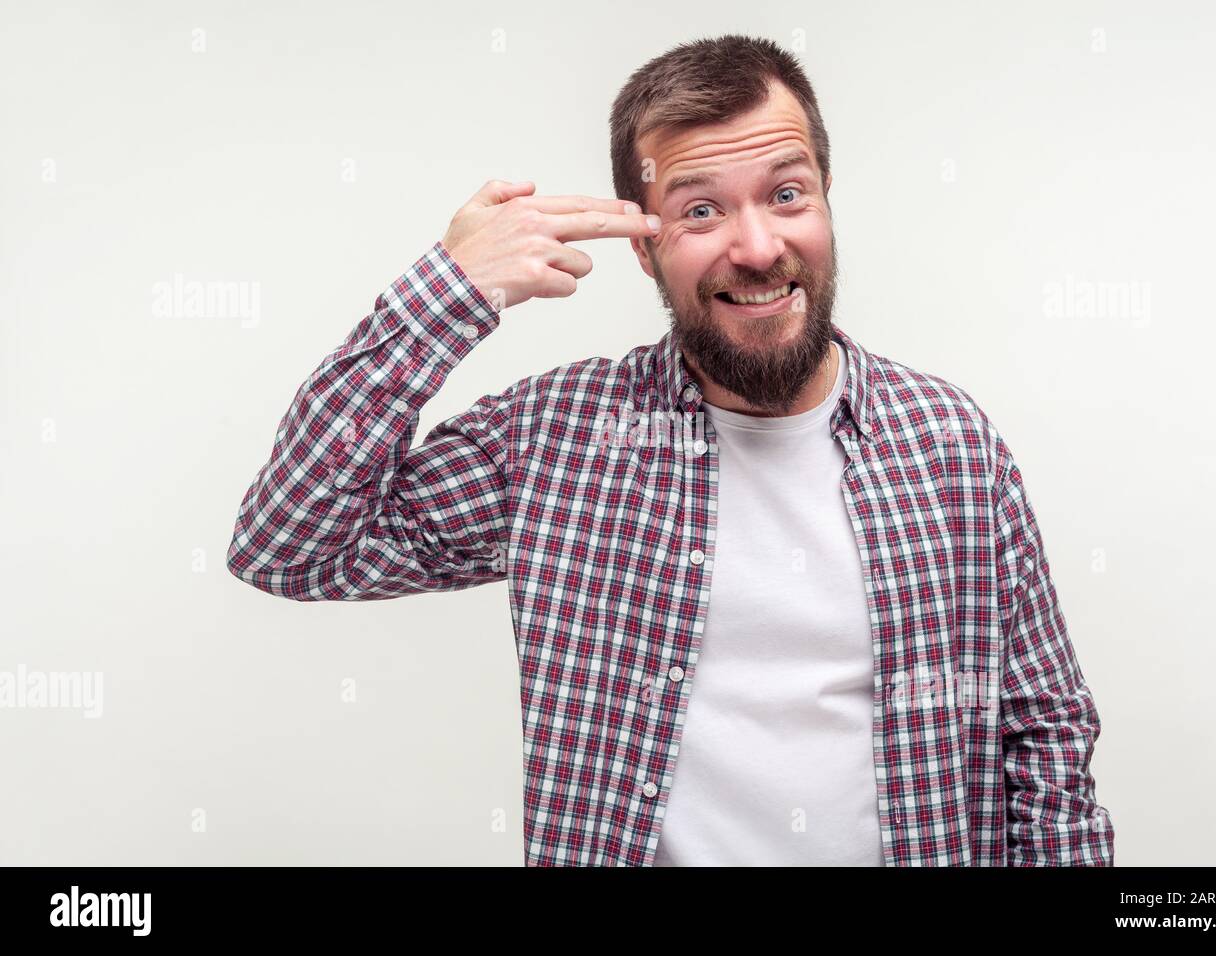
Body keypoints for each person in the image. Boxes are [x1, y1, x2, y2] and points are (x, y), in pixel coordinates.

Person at [226, 34, 1115, 867]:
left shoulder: (951, 444)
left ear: (827, 199)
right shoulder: (554, 440)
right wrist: (446, 295)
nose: (758, 246)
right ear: (644, 247)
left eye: (786, 193)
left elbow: (1043, 733)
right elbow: (290, 551)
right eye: (700, 210)